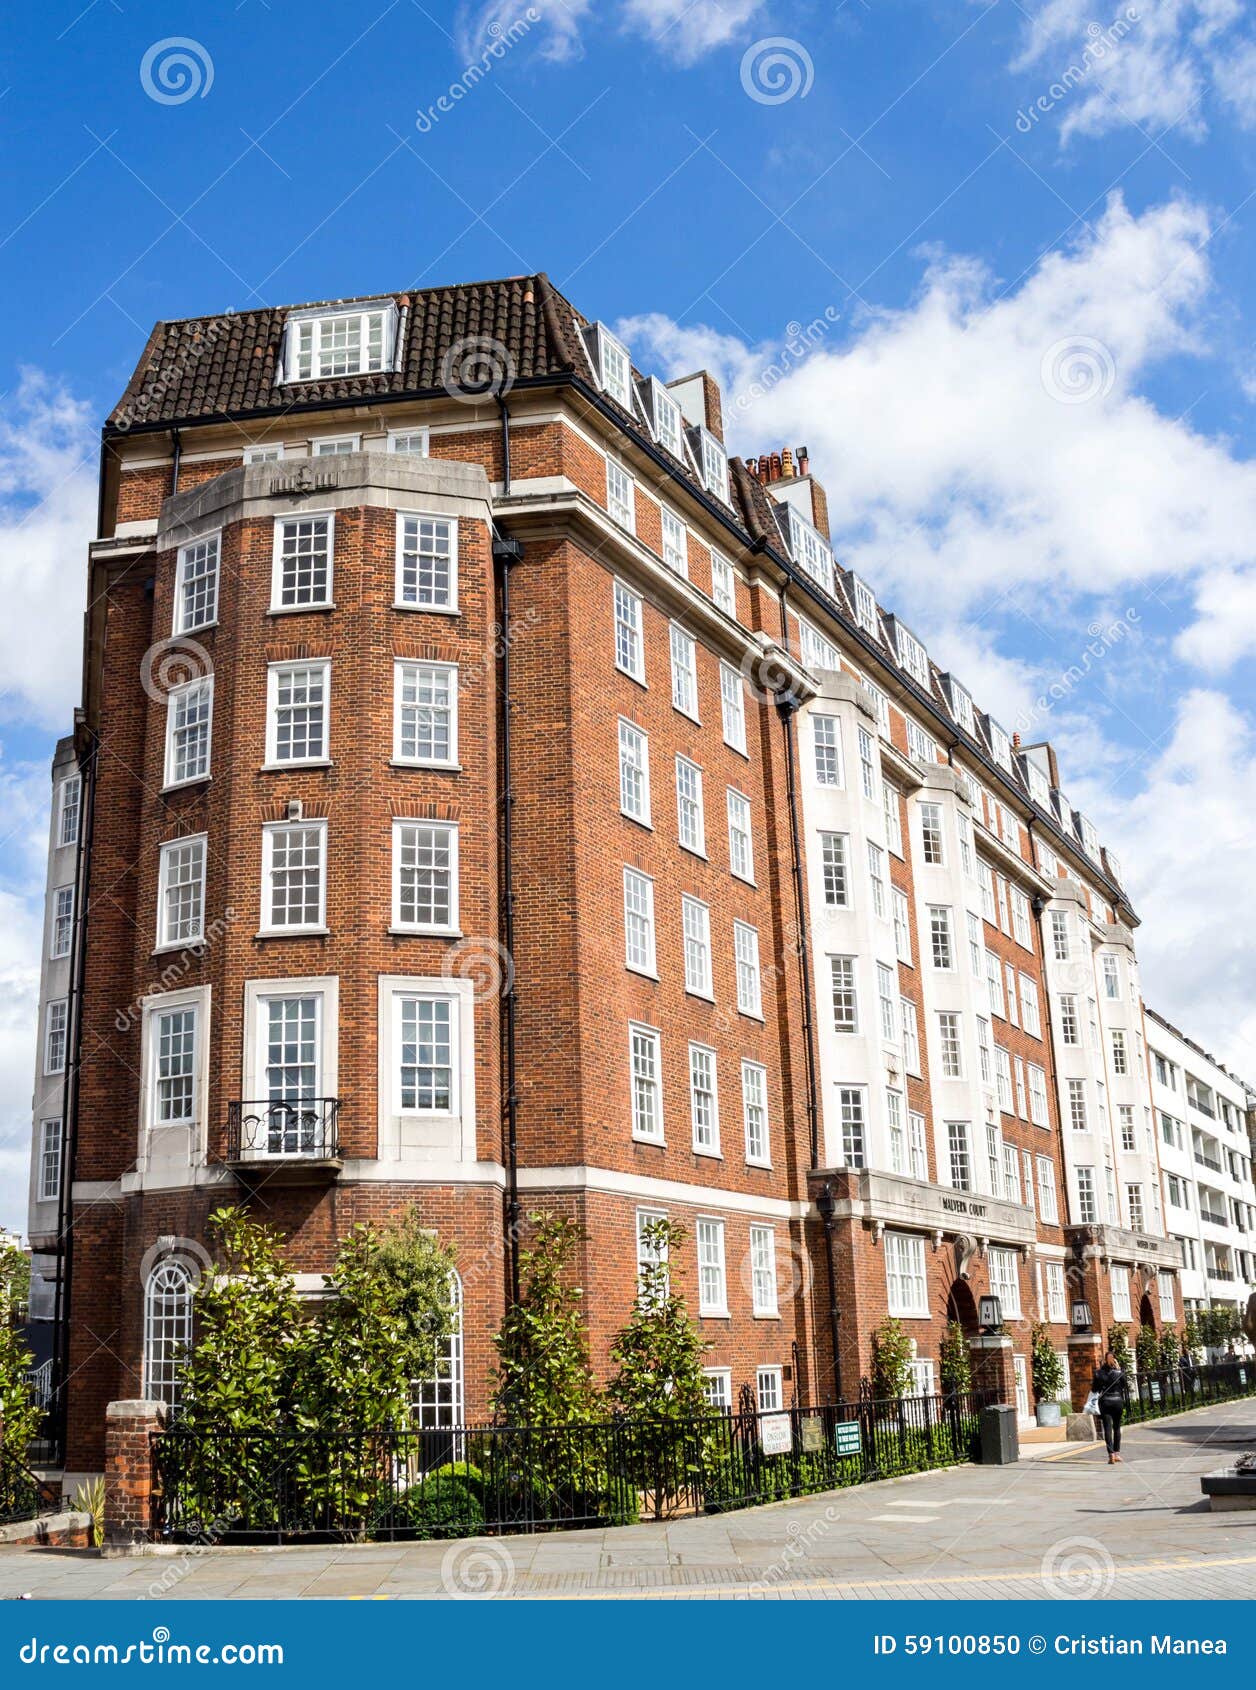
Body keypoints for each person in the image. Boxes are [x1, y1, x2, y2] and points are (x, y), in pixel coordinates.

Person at [1092, 1350, 1127, 1464]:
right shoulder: (1118, 1372)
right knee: (1116, 1428)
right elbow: (1124, 1385)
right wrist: (1119, 1370)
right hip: (1117, 1402)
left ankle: (1111, 1454)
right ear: (1114, 1360)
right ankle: (1117, 1454)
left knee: (1107, 1428)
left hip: (1105, 1403)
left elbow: (1094, 1389)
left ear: (1104, 1360)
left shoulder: (1098, 1373)